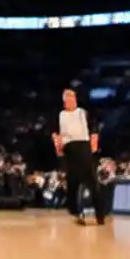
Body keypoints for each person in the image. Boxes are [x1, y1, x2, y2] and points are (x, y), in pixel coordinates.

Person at [51, 88, 106, 225]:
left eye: (73, 97)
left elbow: (93, 130)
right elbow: (56, 135)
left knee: (92, 183)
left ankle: (100, 214)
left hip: (83, 147)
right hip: (69, 149)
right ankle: (77, 213)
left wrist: (93, 147)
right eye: (68, 98)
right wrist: (59, 153)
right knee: (72, 183)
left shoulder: (83, 112)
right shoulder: (60, 115)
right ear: (64, 100)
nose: (71, 100)